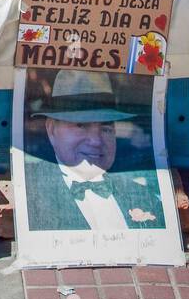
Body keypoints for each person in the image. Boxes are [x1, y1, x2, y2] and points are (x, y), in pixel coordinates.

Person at [23, 70, 163, 233]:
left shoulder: (145, 198)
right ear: (52, 129)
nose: (96, 141)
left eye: (106, 128)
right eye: (81, 126)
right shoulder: (29, 196)